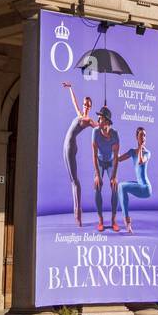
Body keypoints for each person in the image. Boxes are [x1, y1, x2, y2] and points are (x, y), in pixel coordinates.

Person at [62, 82, 95, 225]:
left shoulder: (88, 120)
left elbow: (98, 127)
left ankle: (78, 213)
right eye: (85, 104)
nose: (86, 106)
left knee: (75, 181)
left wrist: (105, 117)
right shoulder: (80, 115)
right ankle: (75, 212)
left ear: (91, 107)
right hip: (66, 146)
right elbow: (74, 101)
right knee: (72, 181)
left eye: (88, 105)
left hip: (70, 147)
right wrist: (70, 88)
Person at [116, 127, 152, 233]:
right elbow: (119, 159)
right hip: (139, 185)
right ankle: (127, 222)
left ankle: (127, 222)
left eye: (144, 135)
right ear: (137, 137)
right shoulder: (132, 152)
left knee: (122, 186)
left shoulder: (147, 153)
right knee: (121, 186)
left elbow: (140, 161)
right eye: (141, 135)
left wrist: (140, 147)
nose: (143, 137)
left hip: (145, 188)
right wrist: (113, 147)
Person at [92, 106, 121, 233]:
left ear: (107, 122)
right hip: (99, 162)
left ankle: (114, 220)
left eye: (100, 119)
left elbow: (115, 158)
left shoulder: (115, 135)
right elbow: (94, 155)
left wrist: (114, 176)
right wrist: (97, 175)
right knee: (97, 186)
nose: (98, 121)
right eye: (98, 119)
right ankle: (100, 220)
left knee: (115, 187)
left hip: (110, 163)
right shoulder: (95, 132)